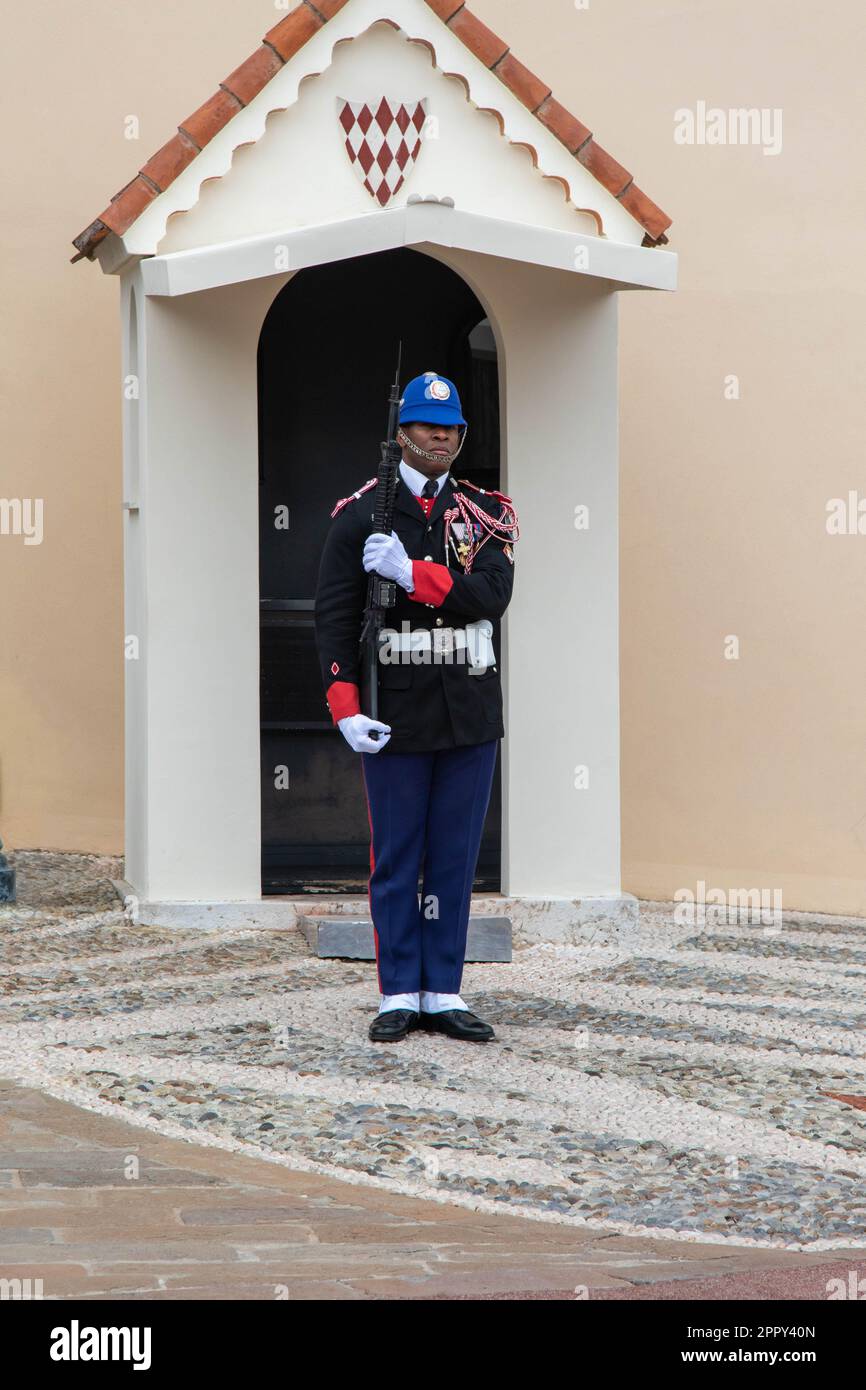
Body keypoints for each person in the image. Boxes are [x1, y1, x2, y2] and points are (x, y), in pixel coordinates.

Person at [314, 371, 519, 1044]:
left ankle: (444, 991)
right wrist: (344, 706)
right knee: (399, 855)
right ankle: (400, 990)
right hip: (394, 707)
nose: (441, 435)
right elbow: (335, 617)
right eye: (429, 424)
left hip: (467, 708)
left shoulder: (487, 513)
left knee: (456, 857)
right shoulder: (360, 514)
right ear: (401, 433)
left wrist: (412, 574)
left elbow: (490, 596)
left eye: (452, 426)